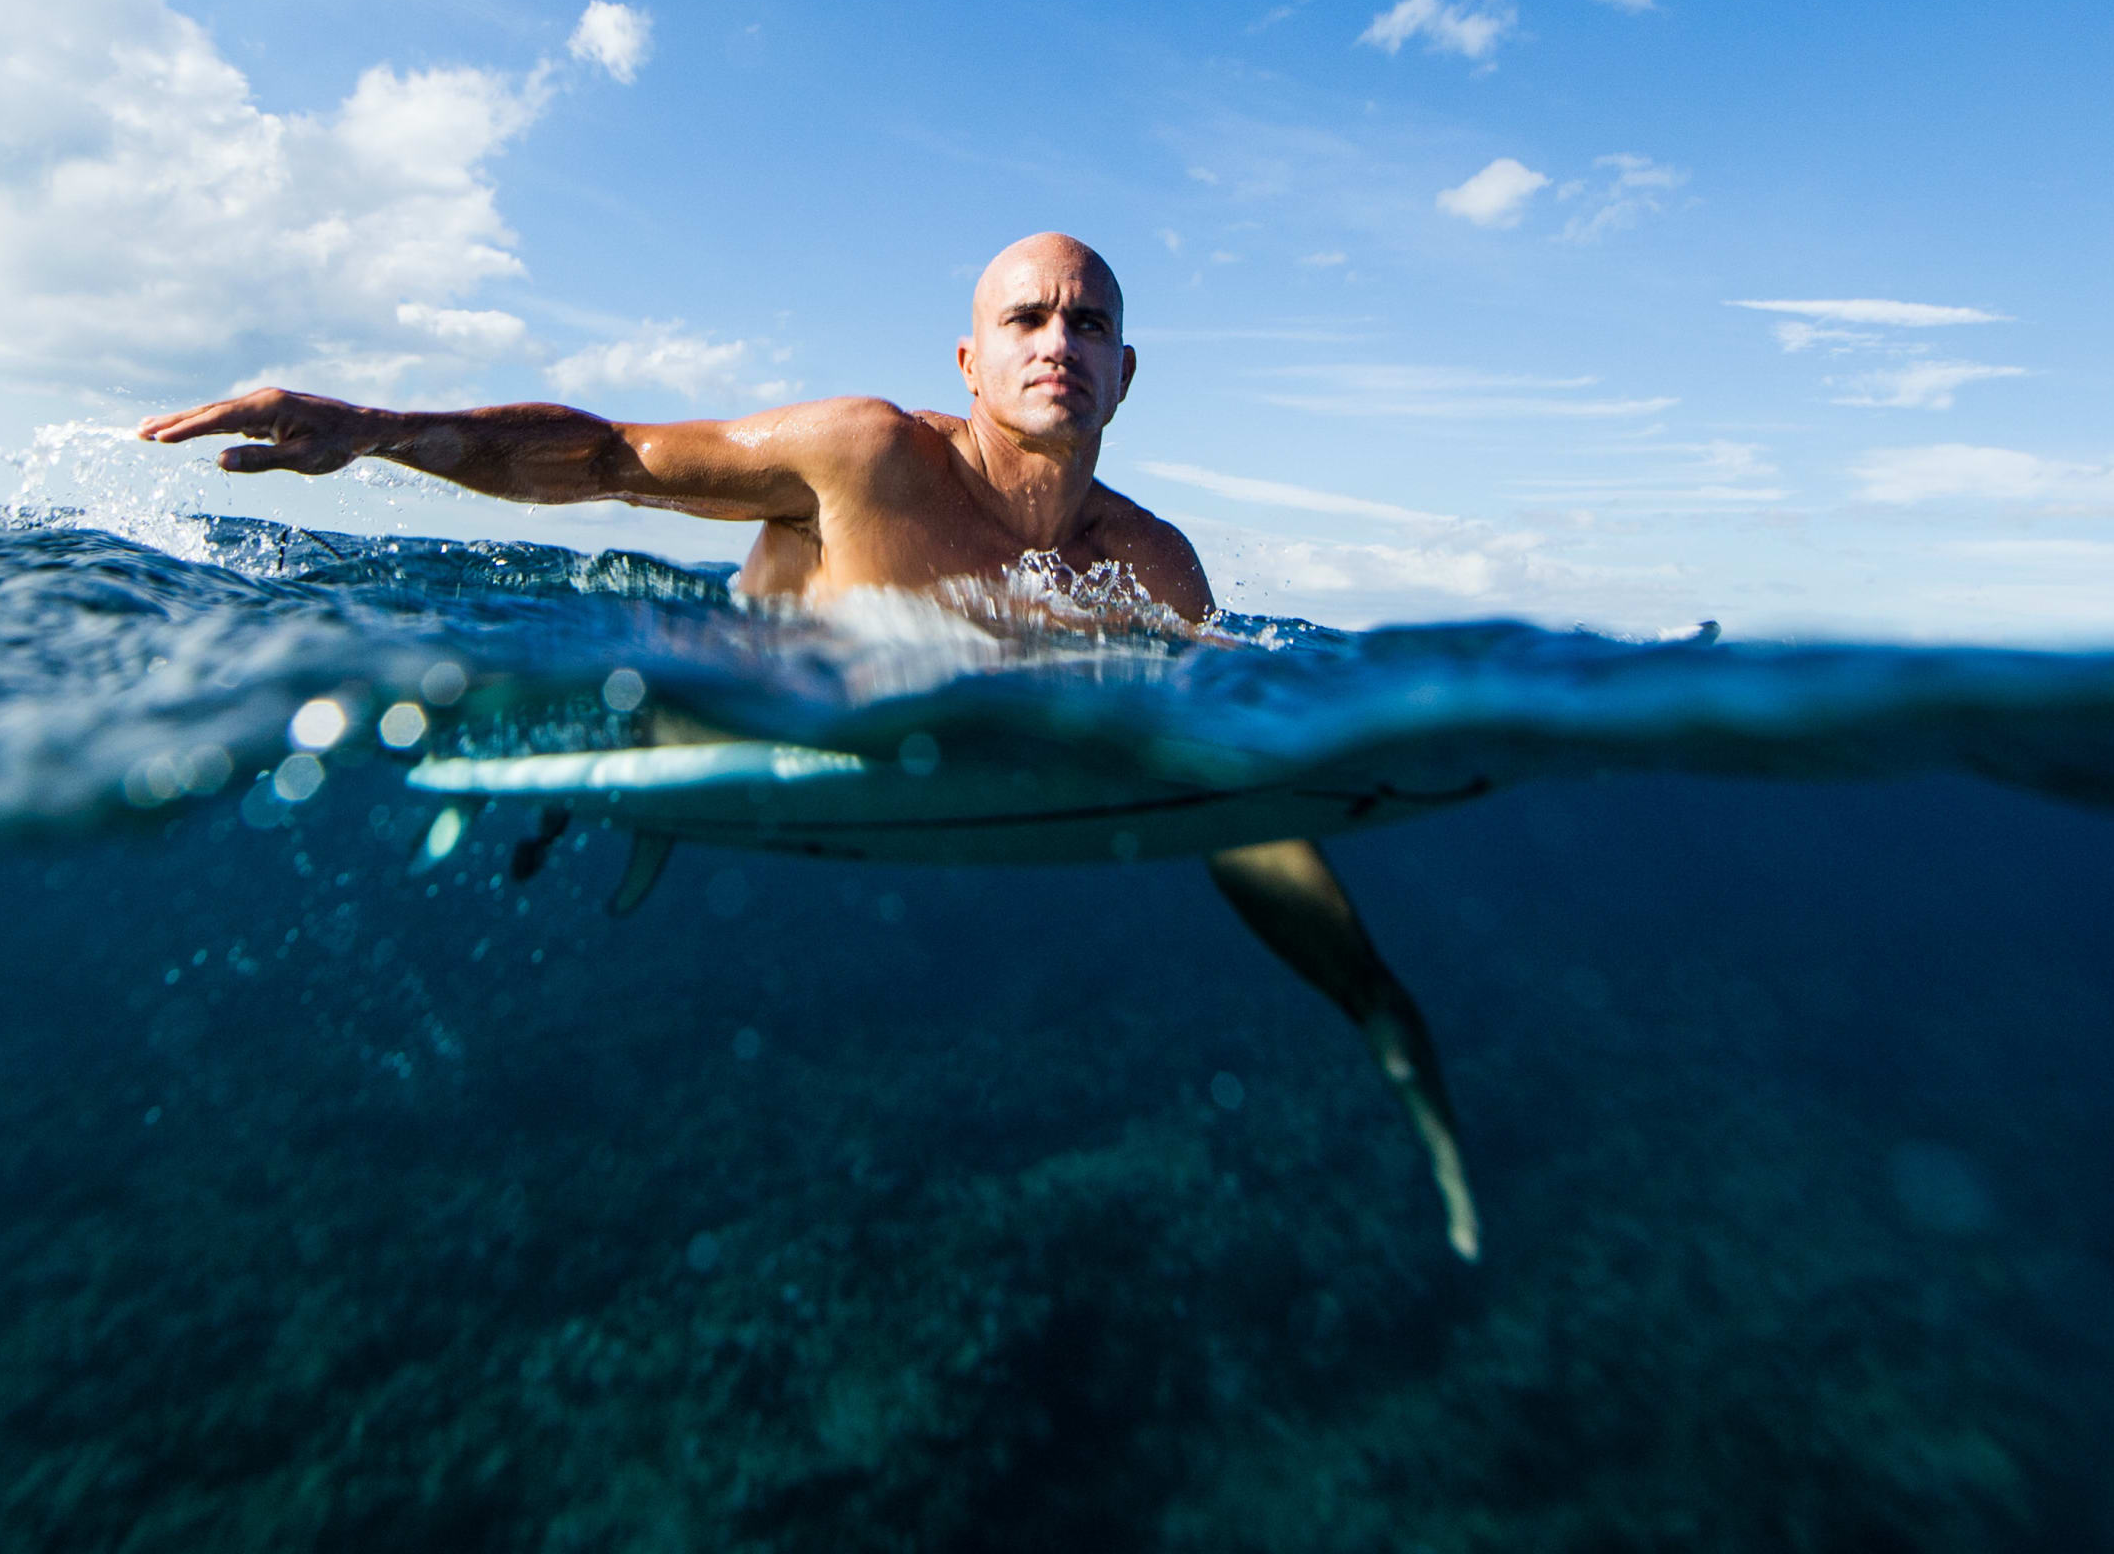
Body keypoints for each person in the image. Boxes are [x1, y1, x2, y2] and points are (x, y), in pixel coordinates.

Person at [137, 231, 1480, 1258]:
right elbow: (611, 458)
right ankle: (595, 808)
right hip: (742, 685)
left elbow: (1218, 779)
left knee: (1309, 883)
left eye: (1088, 322)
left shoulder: (1153, 567)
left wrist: (1371, 983)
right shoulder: (868, 456)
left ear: (1127, 372)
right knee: (711, 628)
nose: (1056, 340)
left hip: (919, 731)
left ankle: (1386, 1024)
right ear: (971, 361)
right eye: (1025, 318)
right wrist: (376, 435)